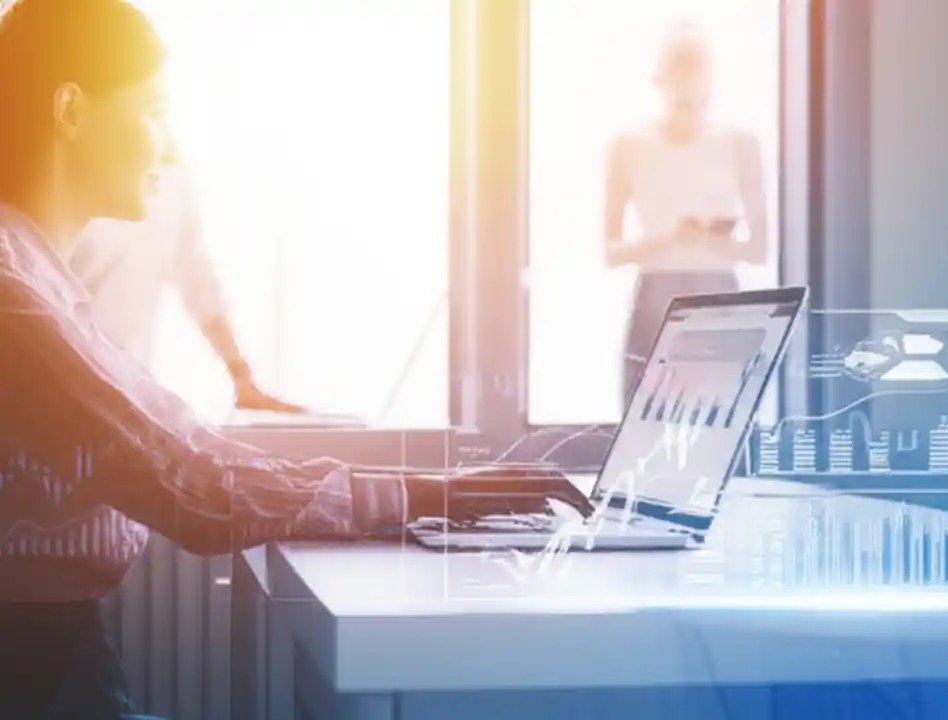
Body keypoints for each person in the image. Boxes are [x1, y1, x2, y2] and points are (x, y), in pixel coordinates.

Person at [0, 2, 590, 716]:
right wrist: (432, 495)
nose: (168, 150)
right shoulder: (12, 295)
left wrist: (430, 487)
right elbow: (192, 486)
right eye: (154, 111)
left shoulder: (39, 277)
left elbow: (180, 446)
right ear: (70, 109)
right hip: (33, 667)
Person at [604, 21, 768, 405]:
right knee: (646, 429)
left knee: (723, 422)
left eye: (695, 67)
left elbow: (759, 249)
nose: (687, 80)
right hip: (656, 299)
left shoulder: (740, 144)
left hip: (720, 298)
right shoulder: (629, 146)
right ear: (660, 76)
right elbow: (611, 251)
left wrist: (707, 239)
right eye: (678, 66)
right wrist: (672, 237)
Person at [72, 167, 302, 412]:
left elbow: (198, 283)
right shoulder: (82, 167)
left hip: (129, 388)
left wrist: (240, 375)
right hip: (68, 380)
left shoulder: (173, 181)